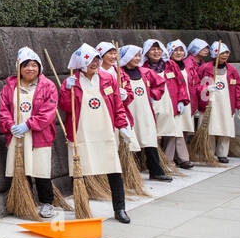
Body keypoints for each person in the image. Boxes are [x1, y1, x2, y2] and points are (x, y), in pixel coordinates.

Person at [60, 43, 132, 223]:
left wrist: (122, 125)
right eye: (90, 60)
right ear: (81, 63)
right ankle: (82, 207)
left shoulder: (108, 78)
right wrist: (67, 90)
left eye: (96, 59)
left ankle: (120, 208)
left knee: (114, 169)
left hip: (104, 130)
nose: (95, 63)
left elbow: (117, 104)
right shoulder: (72, 80)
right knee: (80, 172)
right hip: (81, 133)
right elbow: (66, 107)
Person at [0, 46, 60, 217]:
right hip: (17, 135)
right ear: (19, 68)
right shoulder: (10, 86)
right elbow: (3, 110)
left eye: (34, 65)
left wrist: (29, 124)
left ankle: (47, 202)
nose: (30, 68)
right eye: (26, 65)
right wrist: (10, 125)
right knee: (19, 168)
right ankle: (23, 201)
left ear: (39, 67)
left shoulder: (48, 86)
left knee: (41, 169)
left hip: (39, 135)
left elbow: (48, 112)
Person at [118, 45, 172, 183]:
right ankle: (130, 172)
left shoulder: (146, 72)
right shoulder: (119, 74)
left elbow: (160, 84)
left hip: (145, 110)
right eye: (134, 55)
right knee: (129, 142)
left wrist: (153, 95)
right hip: (128, 111)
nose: (137, 58)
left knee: (149, 139)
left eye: (138, 55)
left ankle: (156, 171)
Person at [196, 41, 240, 162]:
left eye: (227, 53)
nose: (225, 55)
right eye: (222, 53)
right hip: (210, 104)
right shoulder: (205, 68)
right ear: (214, 53)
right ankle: (209, 153)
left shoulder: (232, 70)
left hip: (226, 104)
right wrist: (205, 89)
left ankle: (222, 153)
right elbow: (196, 85)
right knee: (210, 129)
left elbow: (239, 88)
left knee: (225, 128)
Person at [157, 39, 193, 168]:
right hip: (159, 103)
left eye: (181, 50)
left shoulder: (172, 65)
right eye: (175, 50)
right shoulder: (147, 67)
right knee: (161, 133)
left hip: (175, 103)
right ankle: (159, 161)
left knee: (176, 131)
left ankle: (172, 160)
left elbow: (181, 84)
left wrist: (182, 100)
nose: (178, 53)